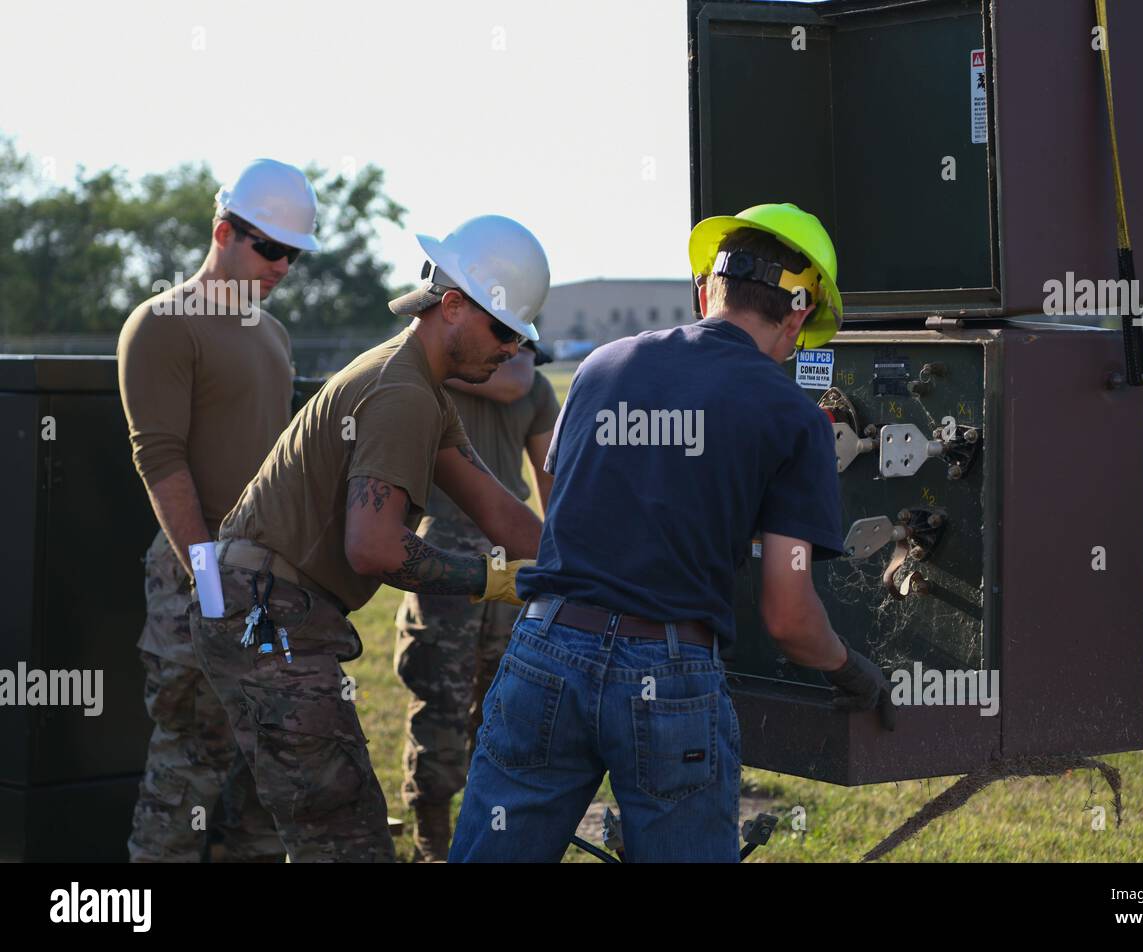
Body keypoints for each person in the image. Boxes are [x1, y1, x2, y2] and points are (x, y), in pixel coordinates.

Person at [450, 203, 896, 863]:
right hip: (668, 675)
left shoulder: (600, 368)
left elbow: (585, 506)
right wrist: (850, 669)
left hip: (546, 650)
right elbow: (788, 613)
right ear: (799, 316)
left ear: (703, 290)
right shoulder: (792, 418)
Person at [189, 214, 549, 862]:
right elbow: (376, 547)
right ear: (454, 306)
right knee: (345, 839)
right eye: (503, 331)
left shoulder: (421, 389)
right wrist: (493, 580)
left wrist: (579, 570)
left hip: (269, 612)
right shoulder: (403, 392)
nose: (512, 352)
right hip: (270, 618)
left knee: (280, 832)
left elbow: (497, 508)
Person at [118, 158, 320, 862]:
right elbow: (161, 459)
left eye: (294, 253)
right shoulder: (163, 324)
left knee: (265, 780)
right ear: (224, 231)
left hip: (266, 590)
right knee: (187, 775)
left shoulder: (273, 333)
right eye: (270, 248)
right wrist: (209, 586)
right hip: (195, 582)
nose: (283, 266)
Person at [394, 339, 560, 861]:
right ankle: (466, 845)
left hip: (453, 550)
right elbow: (552, 484)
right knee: (492, 716)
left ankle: (438, 849)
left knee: (451, 711)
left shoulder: (442, 369)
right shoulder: (530, 383)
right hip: (505, 549)